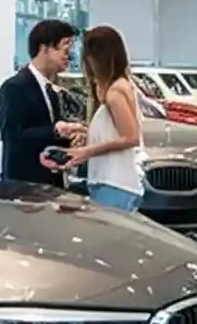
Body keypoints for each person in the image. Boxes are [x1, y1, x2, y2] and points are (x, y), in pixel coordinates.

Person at [56, 25, 145, 212]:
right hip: (110, 181)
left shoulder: (115, 92)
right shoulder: (115, 88)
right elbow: (116, 132)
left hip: (114, 183)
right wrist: (85, 133)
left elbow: (131, 137)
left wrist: (87, 151)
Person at [0, 19, 84, 187]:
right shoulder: (14, 87)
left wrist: (71, 139)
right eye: (65, 49)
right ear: (45, 48)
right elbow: (13, 136)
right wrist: (56, 130)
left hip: (51, 182)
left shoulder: (51, 89)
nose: (69, 56)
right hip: (24, 184)